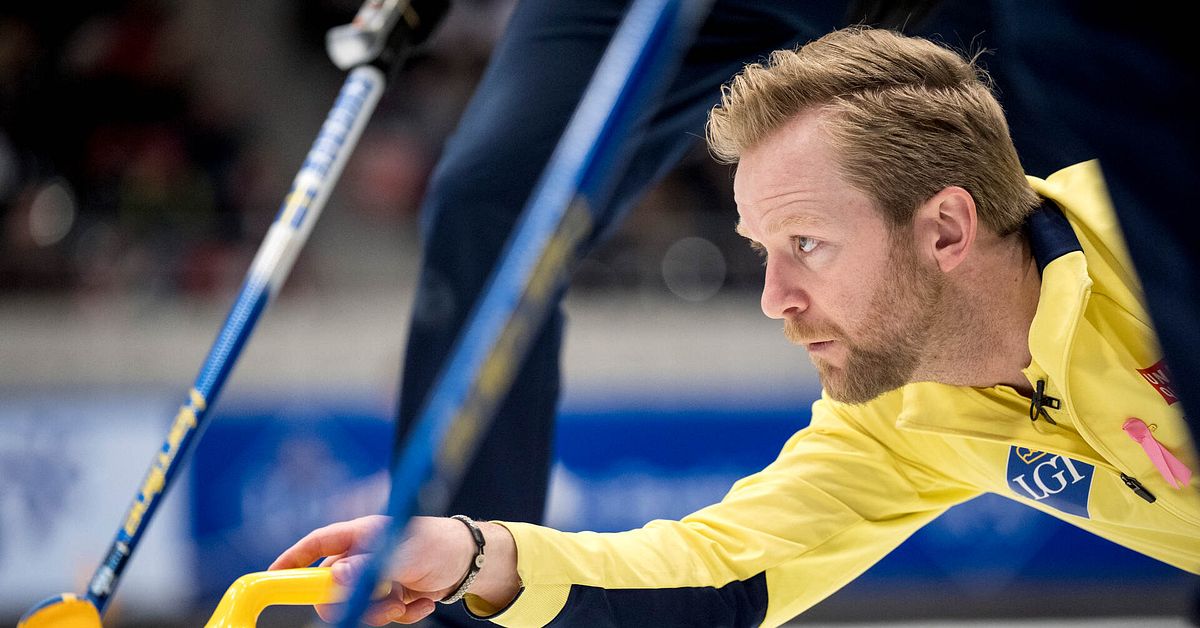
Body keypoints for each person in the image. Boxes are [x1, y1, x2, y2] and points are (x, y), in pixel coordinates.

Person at [275, 27, 1199, 626]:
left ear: (947, 229)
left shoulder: (1160, 234)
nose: (776, 297)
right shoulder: (899, 415)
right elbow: (712, 569)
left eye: (808, 242)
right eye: (764, 248)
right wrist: (481, 554)